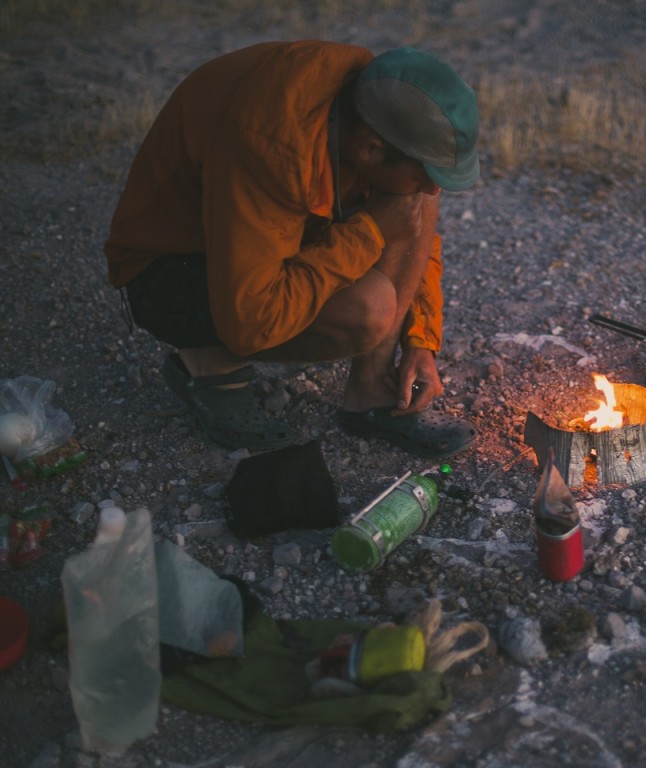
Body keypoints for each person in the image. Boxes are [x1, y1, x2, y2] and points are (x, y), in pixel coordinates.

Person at [105, 41, 479, 457]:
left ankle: (370, 390)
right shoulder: (269, 140)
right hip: (173, 268)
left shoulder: (373, 106)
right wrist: (369, 231)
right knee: (366, 309)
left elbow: (412, 232)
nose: (435, 186)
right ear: (369, 148)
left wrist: (420, 341)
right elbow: (252, 318)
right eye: (428, 173)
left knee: (412, 198)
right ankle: (208, 362)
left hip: (266, 239)